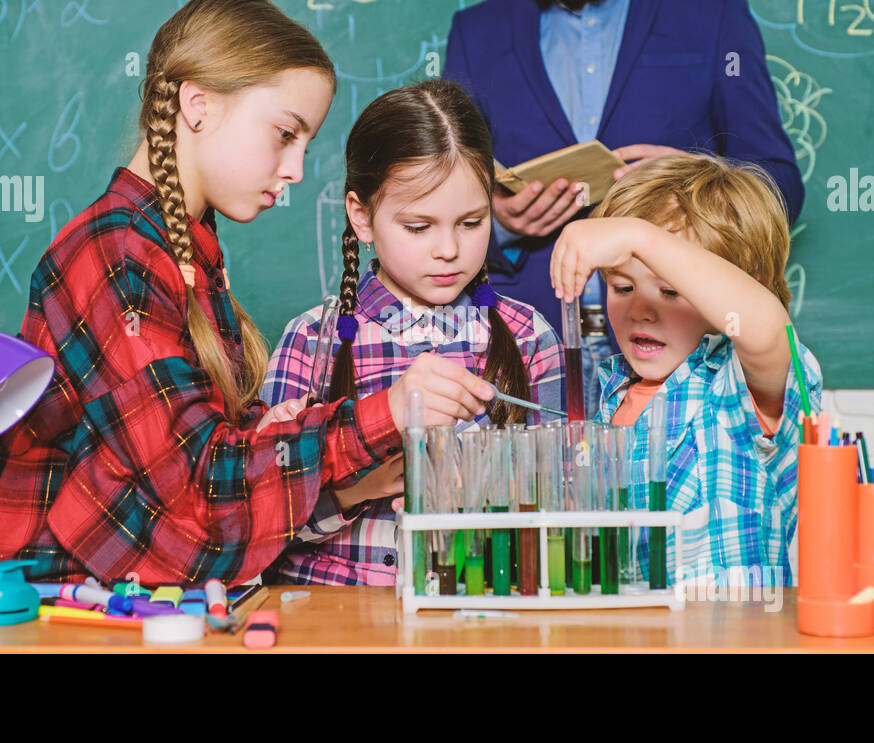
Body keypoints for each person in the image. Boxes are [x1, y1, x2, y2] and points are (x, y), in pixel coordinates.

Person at [0, 0, 493, 585]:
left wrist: (269, 432)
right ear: (198, 106)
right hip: (54, 615)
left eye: (305, 143)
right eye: (284, 133)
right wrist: (387, 412)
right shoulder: (119, 254)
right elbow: (201, 497)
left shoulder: (184, 253)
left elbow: (186, 463)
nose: (295, 169)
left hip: (113, 608)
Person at [260, 80, 563, 586]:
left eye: (470, 222)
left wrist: (495, 493)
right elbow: (259, 523)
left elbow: (568, 505)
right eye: (419, 227)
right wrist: (355, 489)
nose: (448, 249)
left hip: (478, 618)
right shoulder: (312, 341)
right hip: (333, 619)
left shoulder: (529, 336)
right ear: (362, 216)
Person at [443, 0, 804, 416]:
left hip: (689, 340)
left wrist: (689, 179)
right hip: (529, 349)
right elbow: (445, 198)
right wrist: (497, 220)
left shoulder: (713, 13)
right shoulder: (477, 30)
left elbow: (779, 187)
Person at [550, 153, 822, 588]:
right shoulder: (610, 398)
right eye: (622, 287)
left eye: (671, 291)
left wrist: (638, 237)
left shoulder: (732, 388)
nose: (641, 310)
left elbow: (767, 328)